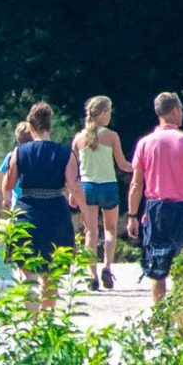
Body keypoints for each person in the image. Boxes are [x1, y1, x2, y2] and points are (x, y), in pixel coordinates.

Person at [126, 92, 183, 304]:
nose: (182, 113)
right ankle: (181, 312)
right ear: (174, 111)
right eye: (181, 109)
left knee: (157, 265)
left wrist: (132, 215)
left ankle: (159, 313)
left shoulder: (145, 143)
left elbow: (136, 184)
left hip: (156, 209)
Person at [1, 101, 82, 307]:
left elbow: (10, 184)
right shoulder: (65, 153)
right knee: (52, 274)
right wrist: (87, 216)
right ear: (49, 126)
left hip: (26, 212)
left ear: (30, 127)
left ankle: (32, 323)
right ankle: (47, 322)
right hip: (56, 211)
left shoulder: (19, 152)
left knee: (28, 274)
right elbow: (73, 186)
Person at [72, 95, 132, 291]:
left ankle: (92, 275)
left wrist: (72, 191)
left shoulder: (79, 138)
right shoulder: (111, 136)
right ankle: (107, 267)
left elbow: (74, 169)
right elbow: (122, 164)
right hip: (108, 186)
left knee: (90, 231)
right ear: (104, 113)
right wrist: (140, 167)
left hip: (87, 187)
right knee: (110, 230)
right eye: (109, 111)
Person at [0, 121, 32, 207]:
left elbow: (6, 180)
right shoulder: (36, 157)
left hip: (17, 201)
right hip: (34, 200)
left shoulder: (11, 156)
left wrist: (6, 198)